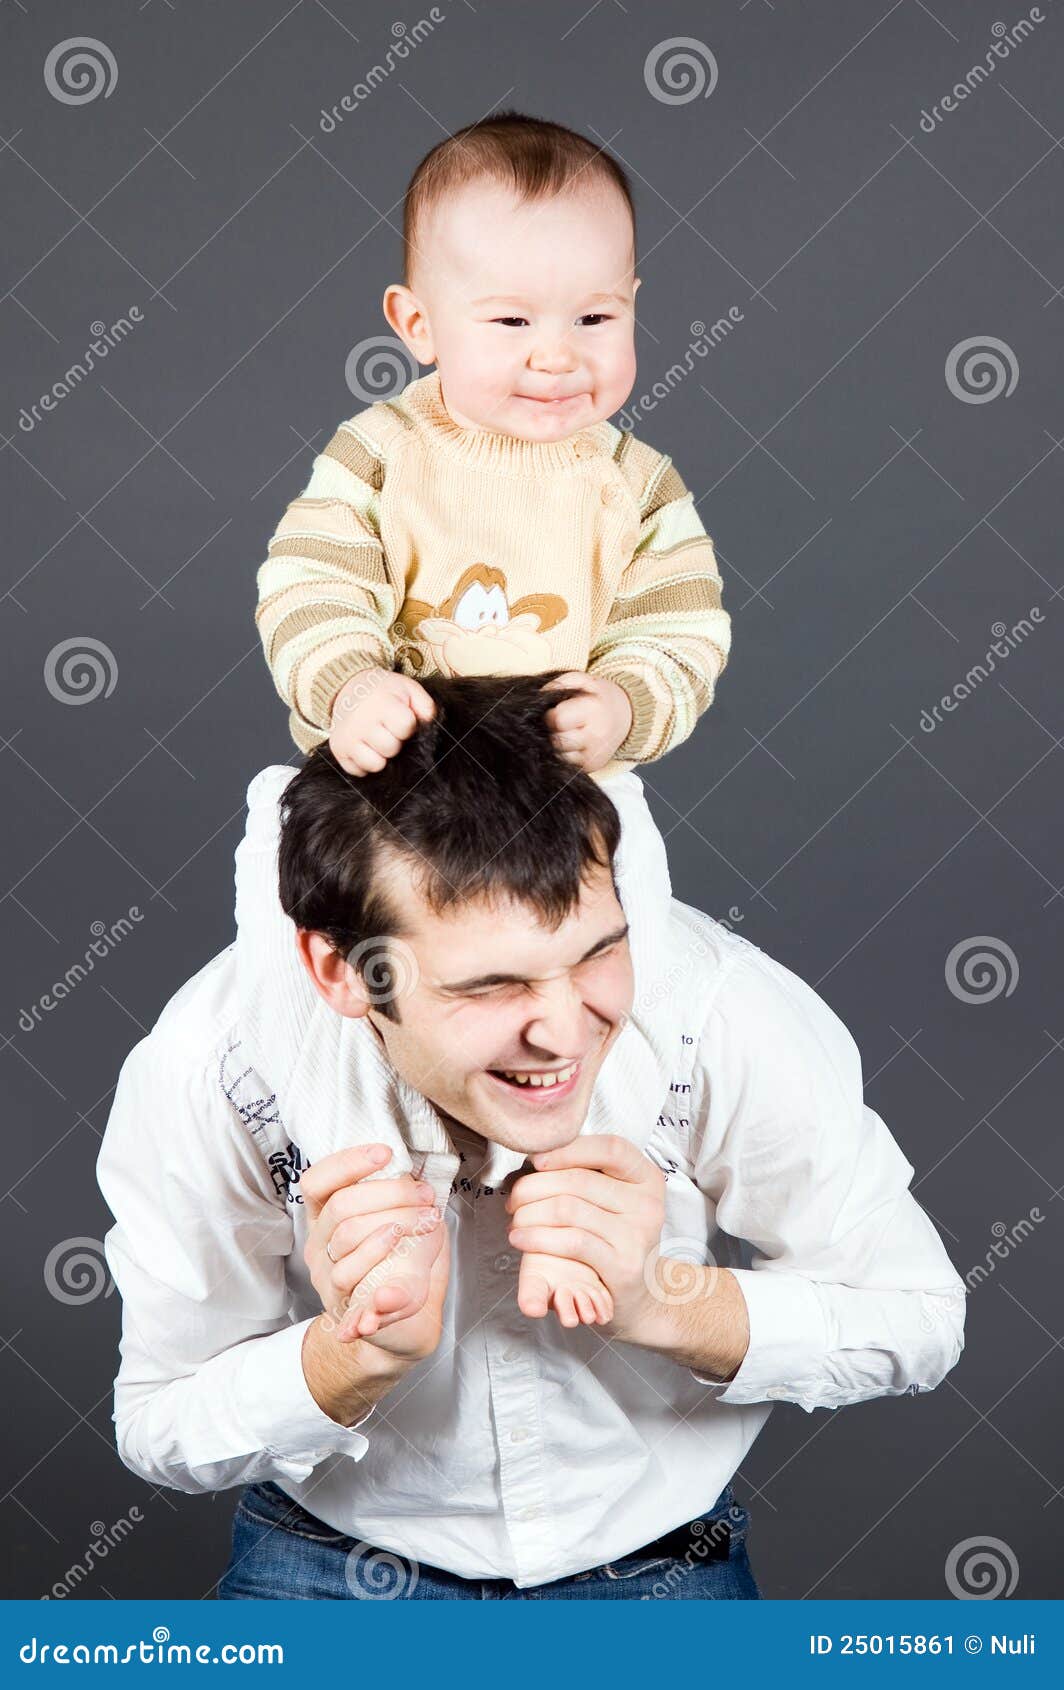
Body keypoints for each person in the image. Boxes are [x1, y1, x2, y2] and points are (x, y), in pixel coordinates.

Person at [96, 677, 967, 1600]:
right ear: (340, 969)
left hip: (659, 1569)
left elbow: (916, 1317)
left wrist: (666, 1303)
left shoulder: (717, 1009)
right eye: (491, 986)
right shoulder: (214, 1069)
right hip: (329, 1562)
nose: (562, 1031)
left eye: (597, 953)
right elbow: (159, 1421)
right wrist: (349, 1360)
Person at [251, 109, 732, 1327]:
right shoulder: (382, 454)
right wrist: (348, 681)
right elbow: (307, 579)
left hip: (568, 787)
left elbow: (686, 624)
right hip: (398, 779)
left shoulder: (635, 485)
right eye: (510, 322)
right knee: (335, 992)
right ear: (416, 326)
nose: (556, 357)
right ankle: (378, 1221)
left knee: (627, 992)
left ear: (632, 304)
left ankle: (587, 1215)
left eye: (595, 318)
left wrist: (624, 699)